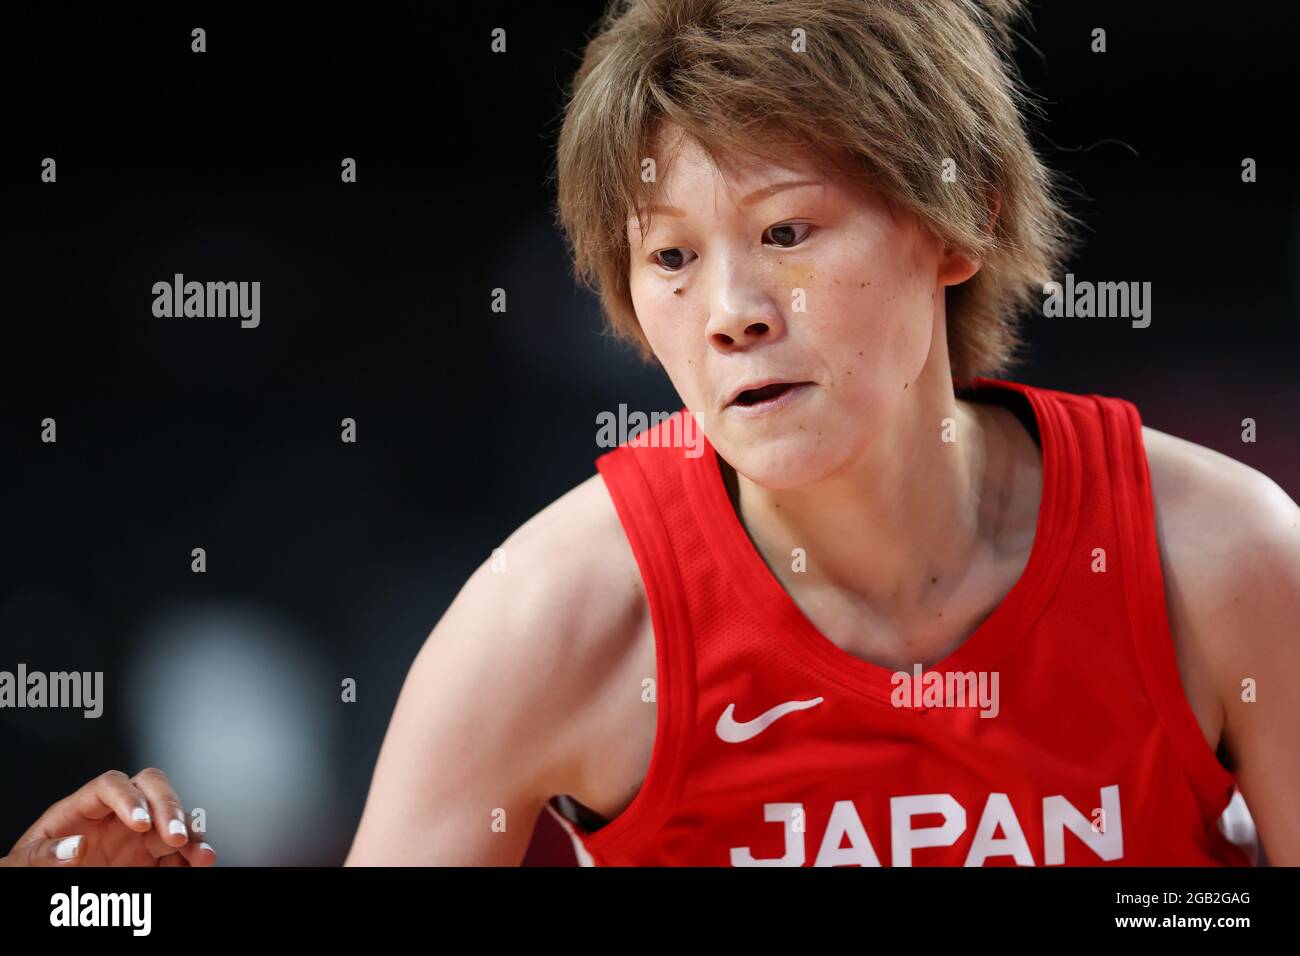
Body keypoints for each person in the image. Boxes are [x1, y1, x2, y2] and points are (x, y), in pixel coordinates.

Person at [6, 0, 1297, 868]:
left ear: (959, 218)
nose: (731, 312)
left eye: (787, 233)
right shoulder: (548, 622)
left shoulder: (1228, 565)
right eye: (672, 256)